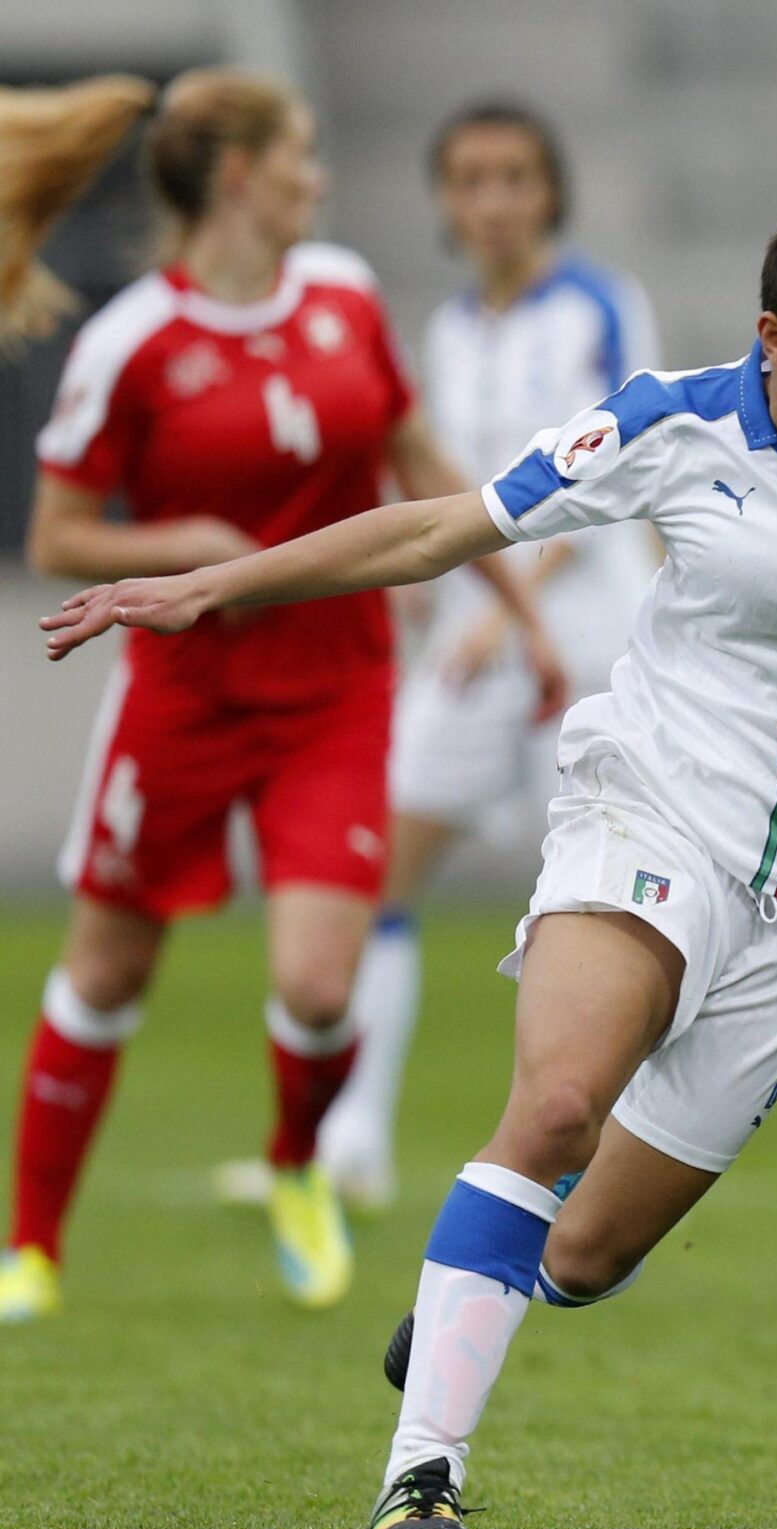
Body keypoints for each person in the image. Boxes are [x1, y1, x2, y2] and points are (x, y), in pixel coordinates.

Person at [39, 158, 777, 1529]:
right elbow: (437, 527)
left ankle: (474, 1293)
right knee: (560, 1102)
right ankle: (421, 1481)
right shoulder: (674, 427)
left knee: (587, 1252)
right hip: (651, 810)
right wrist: (216, 585)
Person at [0, 71, 562, 1326]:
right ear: (242, 176)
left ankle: (299, 1167)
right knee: (103, 976)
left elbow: (423, 468)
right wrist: (187, 544)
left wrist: (518, 612)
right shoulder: (132, 338)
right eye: (301, 156)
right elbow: (59, 536)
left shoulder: (345, 296)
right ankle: (32, 1246)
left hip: (336, 689)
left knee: (318, 987)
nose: (319, 178)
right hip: (184, 702)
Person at [303, 100, 662, 1209]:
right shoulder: (449, 330)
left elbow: (620, 471)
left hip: (595, 637)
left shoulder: (600, 307)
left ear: (548, 190)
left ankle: (613, 1150)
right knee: (384, 871)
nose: (494, 199)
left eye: (513, 176)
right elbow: (437, 484)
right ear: (447, 201)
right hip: (471, 646)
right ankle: (352, 1133)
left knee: (621, 900)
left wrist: (513, 607)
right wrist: (443, 606)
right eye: (471, 178)